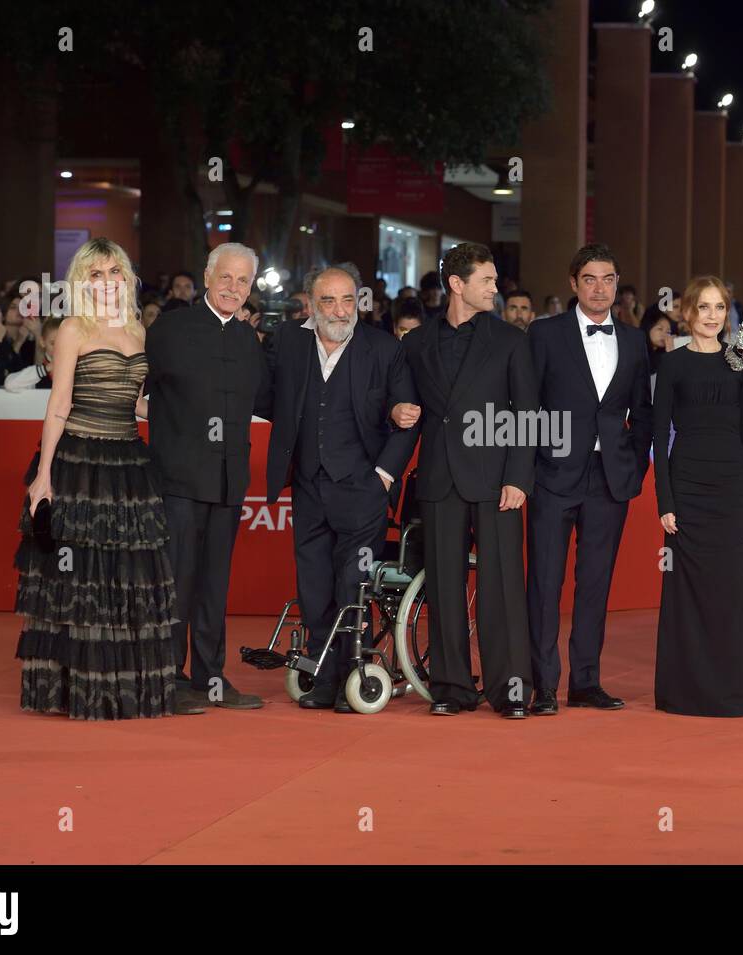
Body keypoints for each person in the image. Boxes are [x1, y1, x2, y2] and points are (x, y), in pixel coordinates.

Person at [15, 238, 180, 719]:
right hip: (81, 463)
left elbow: (136, 403)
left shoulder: (138, 329)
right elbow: (59, 404)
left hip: (129, 462)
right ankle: (78, 690)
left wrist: (186, 414)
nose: (107, 281)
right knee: (79, 576)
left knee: (126, 578)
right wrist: (43, 477)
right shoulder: (72, 329)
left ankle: (122, 688)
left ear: (126, 279)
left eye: (115, 272)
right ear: (82, 282)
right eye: (96, 274)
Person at [262, 263, 419, 711]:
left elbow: (407, 417)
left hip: (362, 491)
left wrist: (383, 477)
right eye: (328, 300)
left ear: (359, 301)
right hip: (308, 487)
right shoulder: (289, 342)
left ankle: (354, 672)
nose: (339, 309)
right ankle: (322, 674)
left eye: (348, 299)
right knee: (313, 583)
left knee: (353, 583)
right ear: (310, 303)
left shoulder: (384, 349)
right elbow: (260, 394)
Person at [395, 242, 537, 717]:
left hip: (497, 478)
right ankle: (452, 688)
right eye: (487, 281)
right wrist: (396, 408)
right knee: (444, 587)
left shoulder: (512, 340)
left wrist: (518, 476)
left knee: (501, 587)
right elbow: (403, 402)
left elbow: (527, 414)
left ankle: (511, 689)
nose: (496, 289)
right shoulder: (415, 343)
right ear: (457, 285)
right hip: (439, 476)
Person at [146, 241, 273, 714]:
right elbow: (140, 387)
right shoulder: (170, 328)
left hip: (227, 481)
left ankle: (210, 677)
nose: (233, 288)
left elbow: (265, 401)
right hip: (177, 477)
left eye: (243, 281)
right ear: (206, 277)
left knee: (214, 584)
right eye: (226, 277)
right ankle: (168, 678)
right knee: (177, 581)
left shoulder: (247, 340)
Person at [526, 245, 653, 715]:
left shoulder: (636, 341)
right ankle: (542, 685)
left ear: (617, 284)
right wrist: (534, 466)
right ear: (574, 283)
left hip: (609, 479)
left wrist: (634, 466)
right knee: (544, 582)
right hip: (553, 476)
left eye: (608, 279)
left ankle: (585, 682)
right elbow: (527, 406)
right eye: (591, 279)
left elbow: (643, 412)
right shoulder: (543, 335)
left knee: (595, 583)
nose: (600, 288)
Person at [653, 276, 743, 716]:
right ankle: (684, 692)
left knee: (730, 589)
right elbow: (660, 435)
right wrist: (665, 500)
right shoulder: (673, 365)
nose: (712, 316)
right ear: (688, 312)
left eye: (720, 308)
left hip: (731, 486)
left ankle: (730, 692)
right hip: (687, 486)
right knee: (684, 588)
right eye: (704, 308)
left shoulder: (740, 361)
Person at [4, 318, 62, 392]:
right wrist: (46, 369)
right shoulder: (37, 373)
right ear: (43, 342)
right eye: (53, 343)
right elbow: (9, 384)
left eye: (64, 342)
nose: (59, 347)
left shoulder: (77, 368)